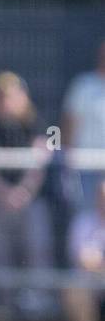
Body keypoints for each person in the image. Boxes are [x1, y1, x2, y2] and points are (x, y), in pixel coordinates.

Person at [0, 71, 56, 318]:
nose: (6, 101)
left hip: (31, 201)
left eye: (11, 95)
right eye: (1, 96)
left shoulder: (38, 123)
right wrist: (4, 193)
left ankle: (39, 298)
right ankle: (5, 305)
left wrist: (22, 192)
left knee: (37, 247)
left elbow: (41, 160)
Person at [65, 177, 105, 321]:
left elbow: (94, 260)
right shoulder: (83, 222)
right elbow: (84, 259)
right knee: (74, 289)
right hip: (91, 285)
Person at [62, 38, 105, 208]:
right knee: (86, 217)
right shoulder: (83, 85)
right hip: (85, 167)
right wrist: (67, 164)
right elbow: (68, 126)